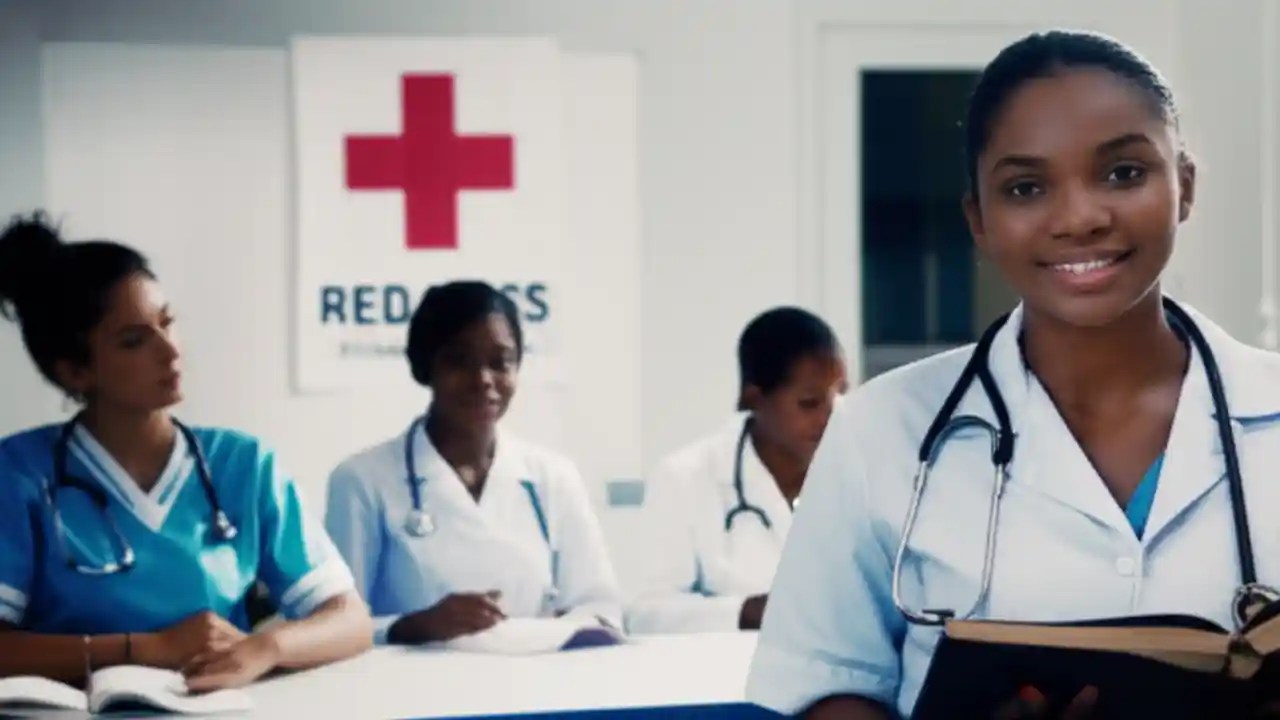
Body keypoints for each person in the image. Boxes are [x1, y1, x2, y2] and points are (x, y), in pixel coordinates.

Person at [746, 29, 1280, 719]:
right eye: (1026, 187)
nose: (1080, 217)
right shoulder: (881, 432)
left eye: (1123, 173)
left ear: (1184, 186)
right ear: (980, 219)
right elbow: (824, 684)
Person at [0, 213, 372, 689]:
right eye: (134, 341)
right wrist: (143, 649)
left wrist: (263, 647)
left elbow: (350, 619)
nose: (170, 351)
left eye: (167, 322)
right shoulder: (21, 473)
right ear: (75, 372)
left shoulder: (243, 465)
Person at [324, 280, 623, 645]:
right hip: (412, 694)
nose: (483, 380)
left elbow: (602, 609)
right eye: (459, 360)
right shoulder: (362, 481)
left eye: (501, 363)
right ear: (424, 367)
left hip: (535, 690)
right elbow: (330, 628)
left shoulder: (553, 477)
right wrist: (416, 625)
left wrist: (557, 629)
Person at [626, 307, 848, 634]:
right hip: (723, 677)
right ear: (754, 398)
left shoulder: (856, 474)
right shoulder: (686, 477)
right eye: (810, 402)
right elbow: (646, 616)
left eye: (840, 394)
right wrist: (746, 611)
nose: (832, 415)